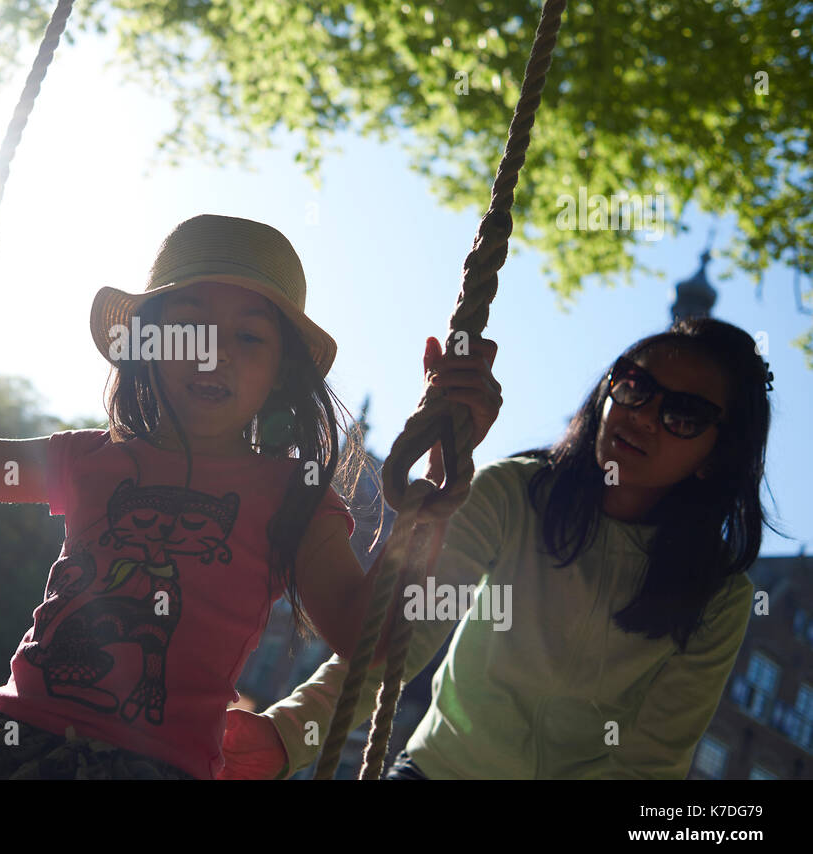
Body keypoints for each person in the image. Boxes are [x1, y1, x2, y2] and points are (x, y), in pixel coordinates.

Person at [0, 213, 501, 780]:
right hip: (7, 745)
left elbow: (366, 635)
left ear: (281, 374)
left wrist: (432, 497)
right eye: (192, 327)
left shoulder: (293, 497)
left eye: (248, 338)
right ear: (150, 343)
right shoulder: (91, 460)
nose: (214, 352)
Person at [217, 316, 776, 780]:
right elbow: (398, 638)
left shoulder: (720, 598)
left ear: (716, 457)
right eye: (634, 385)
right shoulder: (513, 494)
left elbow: (649, 766)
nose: (644, 415)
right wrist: (288, 733)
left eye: (683, 415)